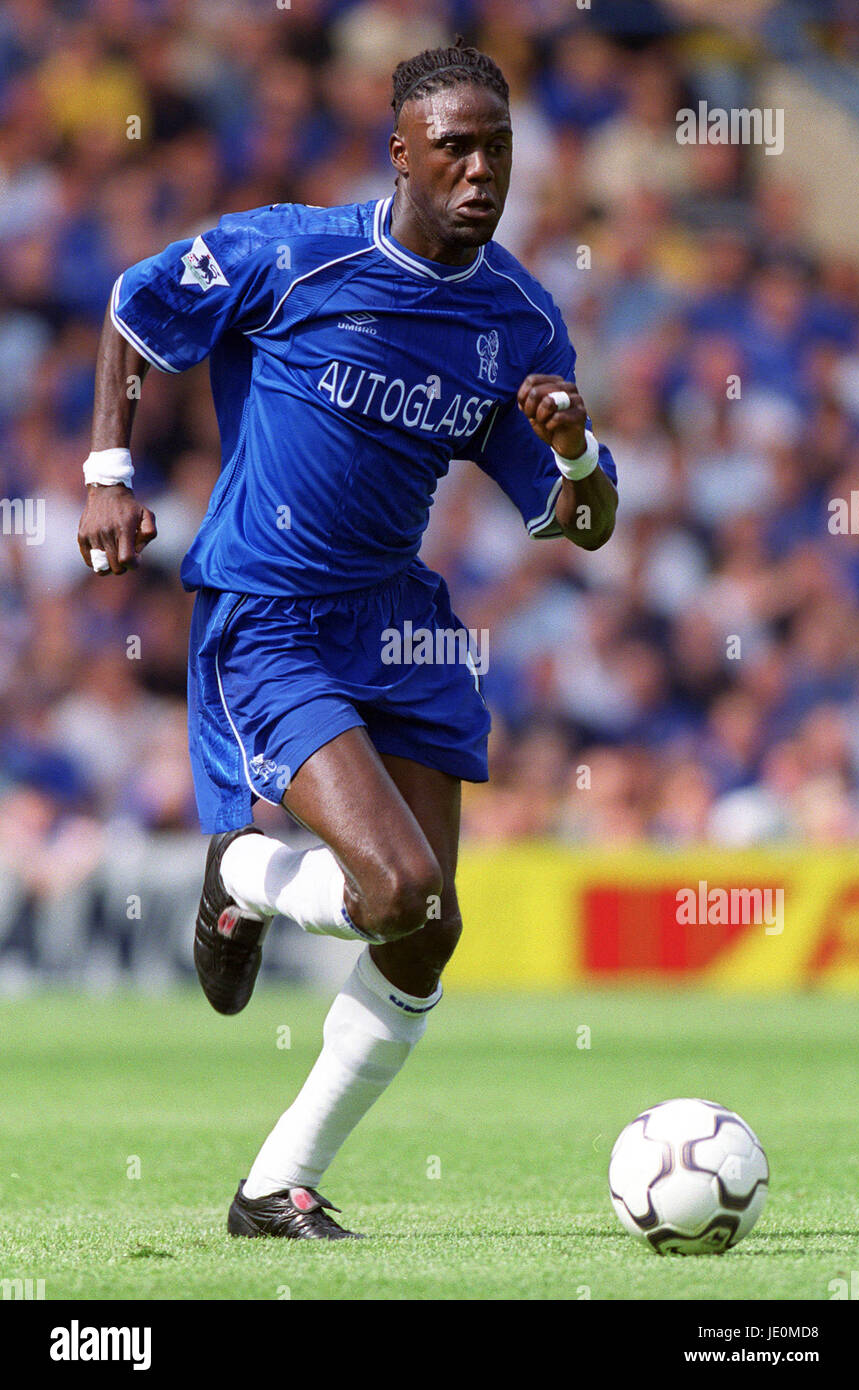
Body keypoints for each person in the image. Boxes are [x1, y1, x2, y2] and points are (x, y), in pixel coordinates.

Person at [78, 40, 618, 1240]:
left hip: (399, 623)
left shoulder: (517, 319)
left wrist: (575, 450)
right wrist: (108, 471)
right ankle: (240, 875)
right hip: (269, 614)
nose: (480, 172)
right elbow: (134, 303)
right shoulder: (293, 253)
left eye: (496, 148)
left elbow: (582, 522)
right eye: (454, 148)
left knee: (428, 931)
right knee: (399, 887)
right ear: (400, 155)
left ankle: (275, 1184)